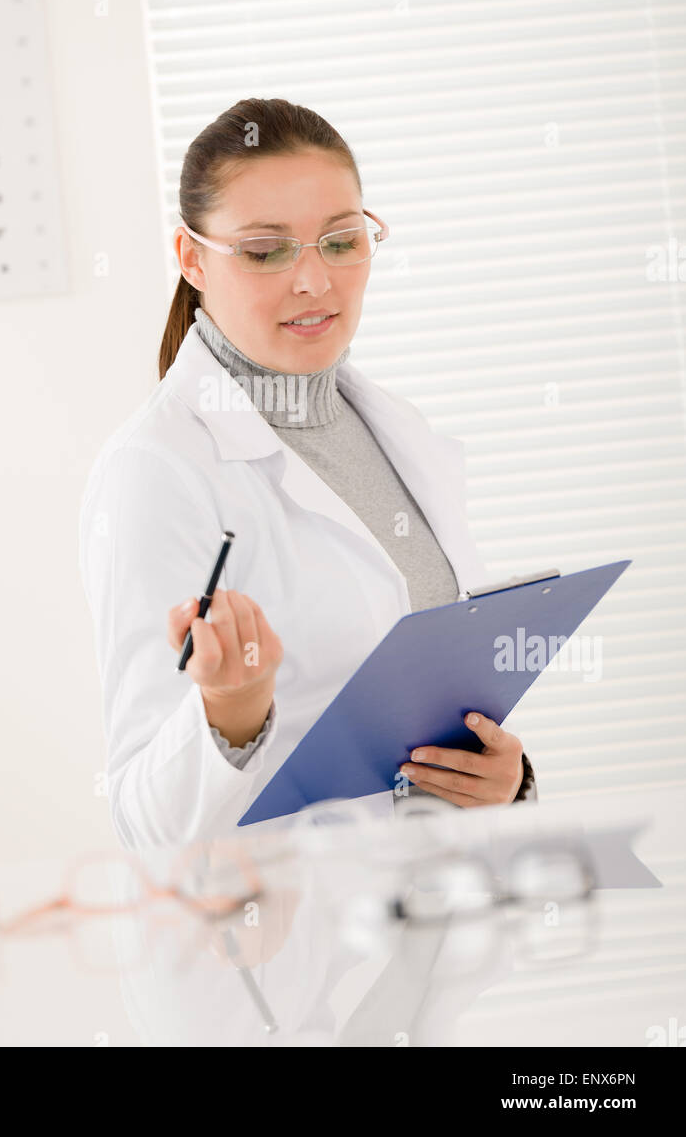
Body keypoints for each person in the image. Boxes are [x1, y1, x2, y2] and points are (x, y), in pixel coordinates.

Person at [79, 97, 536, 851]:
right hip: (282, 948)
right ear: (192, 259)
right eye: (266, 252)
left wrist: (504, 785)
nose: (314, 282)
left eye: (341, 241)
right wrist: (232, 711)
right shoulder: (154, 472)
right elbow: (144, 822)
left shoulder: (396, 430)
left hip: (433, 924)